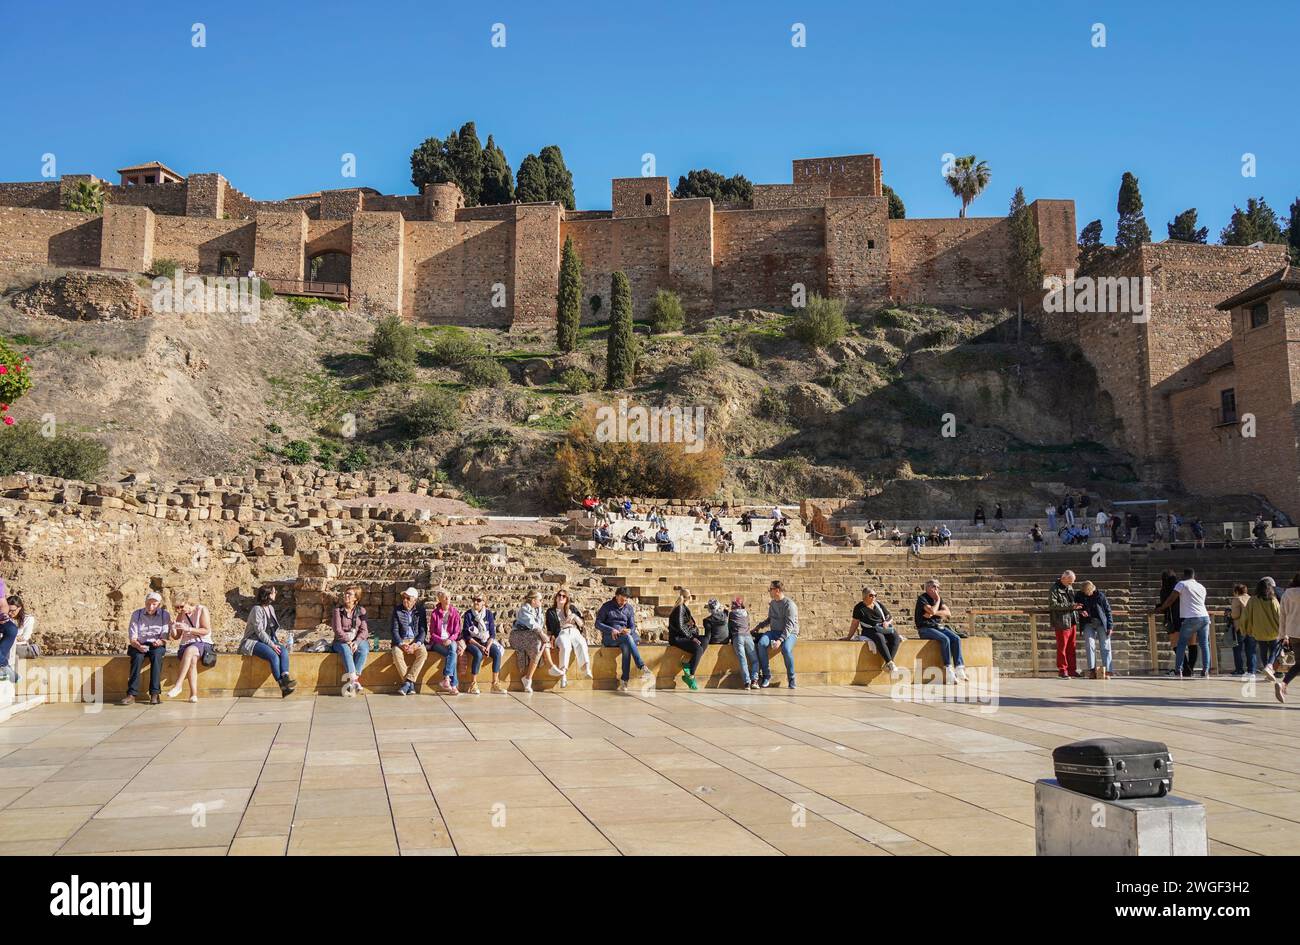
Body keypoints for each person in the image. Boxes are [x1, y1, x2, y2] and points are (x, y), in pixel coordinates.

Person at [240, 585, 296, 697]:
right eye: (274, 592)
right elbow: (259, 631)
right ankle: (282, 686)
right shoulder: (257, 609)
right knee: (273, 656)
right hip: (253, 641)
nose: (276, 593)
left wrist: (276, 642)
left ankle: (285, 678)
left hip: (267, 639)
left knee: (283, 650)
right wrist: (272, 645)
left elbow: (271, 628)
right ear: (268, 595)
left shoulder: (270, 608)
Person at [595, 586, 653, 691]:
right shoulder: (606, 607)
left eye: (626, 600)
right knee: (627, 639)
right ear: (616, 596)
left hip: (624, 636)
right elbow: (597, 624)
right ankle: (641, 666)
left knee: (626, 646)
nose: (624, 602)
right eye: (622, 599)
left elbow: (632, 625)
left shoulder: (629, 608)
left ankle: (624, 681)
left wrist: (630, 630)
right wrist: (611, 630)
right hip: (610, 637)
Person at [1158, 567, 1211, 677]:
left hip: (1190, 618)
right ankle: (1205, 670)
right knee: (1204, 645)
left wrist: (1160, 608)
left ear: (1184, 575)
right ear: (1194, 575)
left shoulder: (1181, 584)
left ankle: (1179, 670)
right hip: (1205, 617)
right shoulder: (1201, 586)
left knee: (1181, 644)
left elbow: (1170, 600)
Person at [120, 591, 172, 705]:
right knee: (137, 658)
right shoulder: (137, 614)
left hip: (156, 644)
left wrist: (161, 641)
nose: (151, 606)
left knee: (157, 656)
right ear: (145, 602)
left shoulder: (164, 615)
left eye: (154, 604)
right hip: (139, 643)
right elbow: (132, 636)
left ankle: (155, 694)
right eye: (148, 603)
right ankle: (131, 694)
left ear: (159, 604)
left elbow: (165, 634)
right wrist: (138, 645)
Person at [913, 580, 966, 683]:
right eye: (934, 587)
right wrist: (937, 601)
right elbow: (932, 611)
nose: (937, 589)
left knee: (956, 638)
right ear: (928, 588)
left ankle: (959, 667)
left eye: (938, 587)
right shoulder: (922, 599)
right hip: (925, 629)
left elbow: (948, 613)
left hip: (937, 627)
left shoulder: (939, 599)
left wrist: (933, 613)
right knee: (945, 639)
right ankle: (948, 669)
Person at [753, 580, 799, 689]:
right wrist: (759, 626)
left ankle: (791, 678)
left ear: (777, 590)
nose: (769, 591)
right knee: (761, 644)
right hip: (774, 632)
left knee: (786, 649)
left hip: (789, 633)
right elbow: (770, 619)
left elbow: (790, 626)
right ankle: (766, 676)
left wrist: (780, 640)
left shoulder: (789, 605)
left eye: (771, 589)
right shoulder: (773, 603)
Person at [511, 588, 557, 694]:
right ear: (533, 601)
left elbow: (539, 626)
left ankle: (528, 678)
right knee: (540, 641)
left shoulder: (538, 610)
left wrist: (542, 634)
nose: (542, 602)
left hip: (531, 635)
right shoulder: (524, 609)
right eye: (540, 600)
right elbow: (532, 625)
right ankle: (550, 667)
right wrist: (542, 634)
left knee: (540, 642)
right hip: (518, 635)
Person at [167, 594, 213, 702]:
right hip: (186, 643)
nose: (179, 610)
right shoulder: (181, 614)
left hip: (202, 642)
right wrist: (173, 628)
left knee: (190, 650)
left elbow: (206, 630)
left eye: (181, 607)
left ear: (189, 602)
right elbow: (177, 636)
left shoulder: (201, 610)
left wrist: (189, 629)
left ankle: (178, 685)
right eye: (176, 607)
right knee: (192, 659)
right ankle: (193, 694)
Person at [849, 586, 901, 677]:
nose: (874, 597)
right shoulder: (859, 608)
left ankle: (888, 663)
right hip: (869, 629)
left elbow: (889, 616)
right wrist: (849, 636)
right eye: (871, 595)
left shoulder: (878, 605)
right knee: (879, 637)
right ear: (865, 596)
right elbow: (855, 623)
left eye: (875, 595)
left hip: (883, 627)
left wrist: (886, 622)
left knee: (896, 637)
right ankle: (890, 663)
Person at [547, 588, 591, 688]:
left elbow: (582, 624)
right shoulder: (551, 612)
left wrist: (574, 616)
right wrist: (549, 639)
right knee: (565, 647)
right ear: (556, 598)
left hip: (574, 630)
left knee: (581, 643)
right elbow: (550, 629)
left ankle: (586, 670)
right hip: (561, 633)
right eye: (559, 595)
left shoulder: (572, 608)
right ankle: (563, 675)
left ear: (567, 598)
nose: (561, 597)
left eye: (564, 596)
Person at [330, 584, 370, 698]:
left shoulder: (361, 611)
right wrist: (348, 641)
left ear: (356, 598)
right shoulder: (338, 610)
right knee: (346, 649)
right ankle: (354, 681)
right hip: (341, 641)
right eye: (345, 593)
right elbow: (337, 629)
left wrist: (356, 642)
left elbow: (364, 630)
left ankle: (353, 680)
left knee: (364, 649)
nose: (346, 596)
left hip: (356, 639)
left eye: (349, 594)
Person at [1238, 578, 1280, 684]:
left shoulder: (1252, 599)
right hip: (1273, 630)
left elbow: (1245, 616)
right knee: (1275, 649)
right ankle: (1269, 666)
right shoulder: (1273, 599)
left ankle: (1267, 672)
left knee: (1263, 650)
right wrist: (1283, 629)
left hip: (1258, 630)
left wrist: (1245, 629)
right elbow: (1279, 615)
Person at [461, 593, 505, 694]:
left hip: (486, 642)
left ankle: (495, 683)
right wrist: (480, 646)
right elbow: (467, 635)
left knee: (497, 653)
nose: (475, 602)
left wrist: (488, 647)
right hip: (473, 642)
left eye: (478, 600)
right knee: (478, 654)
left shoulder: (488, 614)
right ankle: (473, 684)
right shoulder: (469, 614)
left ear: (484, 603)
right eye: (474, 599)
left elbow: (492, 634)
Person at [668, 588, 708, 690]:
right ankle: (691, 675)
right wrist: (692, 637)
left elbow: (690, 625)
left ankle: (689, 665)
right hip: (677, 638)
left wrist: (694, 634)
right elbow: (681, 627)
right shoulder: (680, 608)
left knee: (705, 640)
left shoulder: (684, 608)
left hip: (685, 635)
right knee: (698, 649)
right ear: (689, 597)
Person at [391, 587, 429, 695]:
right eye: (404, 597)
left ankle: (407, 683)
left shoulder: (420, 611)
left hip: (415, 640)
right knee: (396, 652)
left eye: (408, 598)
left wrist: (416, 644)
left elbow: (423, 630)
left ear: (414, 600)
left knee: (423, 653)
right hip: (402, 640)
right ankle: (409, 684)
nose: (405, 600)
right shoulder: (397, 610)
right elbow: (394, 630)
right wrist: (401, 644)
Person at [427, 588, 463, 696]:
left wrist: (450, 639)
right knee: (453, 655)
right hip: (437, 642)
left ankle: (447, 678)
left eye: (449, 597)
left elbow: (457, 631)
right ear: (440, 599)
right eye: (445, 597)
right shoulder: (434, 614)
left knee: (452, 650)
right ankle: (453, 685)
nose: (448, 599)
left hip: (450, 640)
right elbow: (432, 633)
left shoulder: (454, 612)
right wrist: (441, 641)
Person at [1048, 570, 1082, 679]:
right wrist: (1071, 606)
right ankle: (1063, 670)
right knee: (1062, 647)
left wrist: (1079, 609)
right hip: (1061, 621)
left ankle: (1072, 670)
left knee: (1072, 647)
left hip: (1072, 621)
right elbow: (1053, 605)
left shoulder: (1069, 587)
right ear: (1063, 579)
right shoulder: (1054, 589)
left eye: (1072, 582)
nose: (1071, 584)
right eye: (1070, 582)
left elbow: (1072, 602)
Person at [1077, 580, 1113, 679]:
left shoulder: (1100, 596)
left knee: (1105, 646)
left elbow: (1108, 611)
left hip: (1101, 623)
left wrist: (1110, 626)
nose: (1087, 594)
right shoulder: (1079, 595)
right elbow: (1075, 606)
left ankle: (1108, 671)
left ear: (1092, 589)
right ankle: (1092, 670)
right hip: (1088, 622)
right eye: (1085, 592)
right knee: (1089, 644)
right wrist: (1081, 611)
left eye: (1089, 592)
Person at [1274, 574, 1300, 702]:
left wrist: (1282, 635)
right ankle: (1283, 684)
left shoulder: (1286, 594)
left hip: (1293, 633)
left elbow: (1282, 615)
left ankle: (1283, 684)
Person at [728, 596, 758, 689]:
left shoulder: (732, 613)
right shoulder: (746, 613)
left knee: (743, 661)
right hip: (748, 637)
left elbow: (729, 626)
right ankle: (754, 681)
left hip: (737, 637)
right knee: (755, 660)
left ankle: (747, 683)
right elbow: (748, 624)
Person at [1227, 583, 1249, 677]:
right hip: (1251, 627)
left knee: (1237, 649)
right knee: (1250, 650)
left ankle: (1239, 669)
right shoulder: (1250, 598)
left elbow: (1235, 614)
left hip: (1240, 627)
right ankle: (1251, 669)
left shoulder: (1237, 599)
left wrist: (1229, 614)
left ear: (1236, 591)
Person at [0, 598, 21, 684]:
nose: (10, 613)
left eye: (12, 611)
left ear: (19, 608)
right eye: (9, 610)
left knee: (12, 630)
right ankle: (4, 666)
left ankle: (4, 667)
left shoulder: (27, 619)